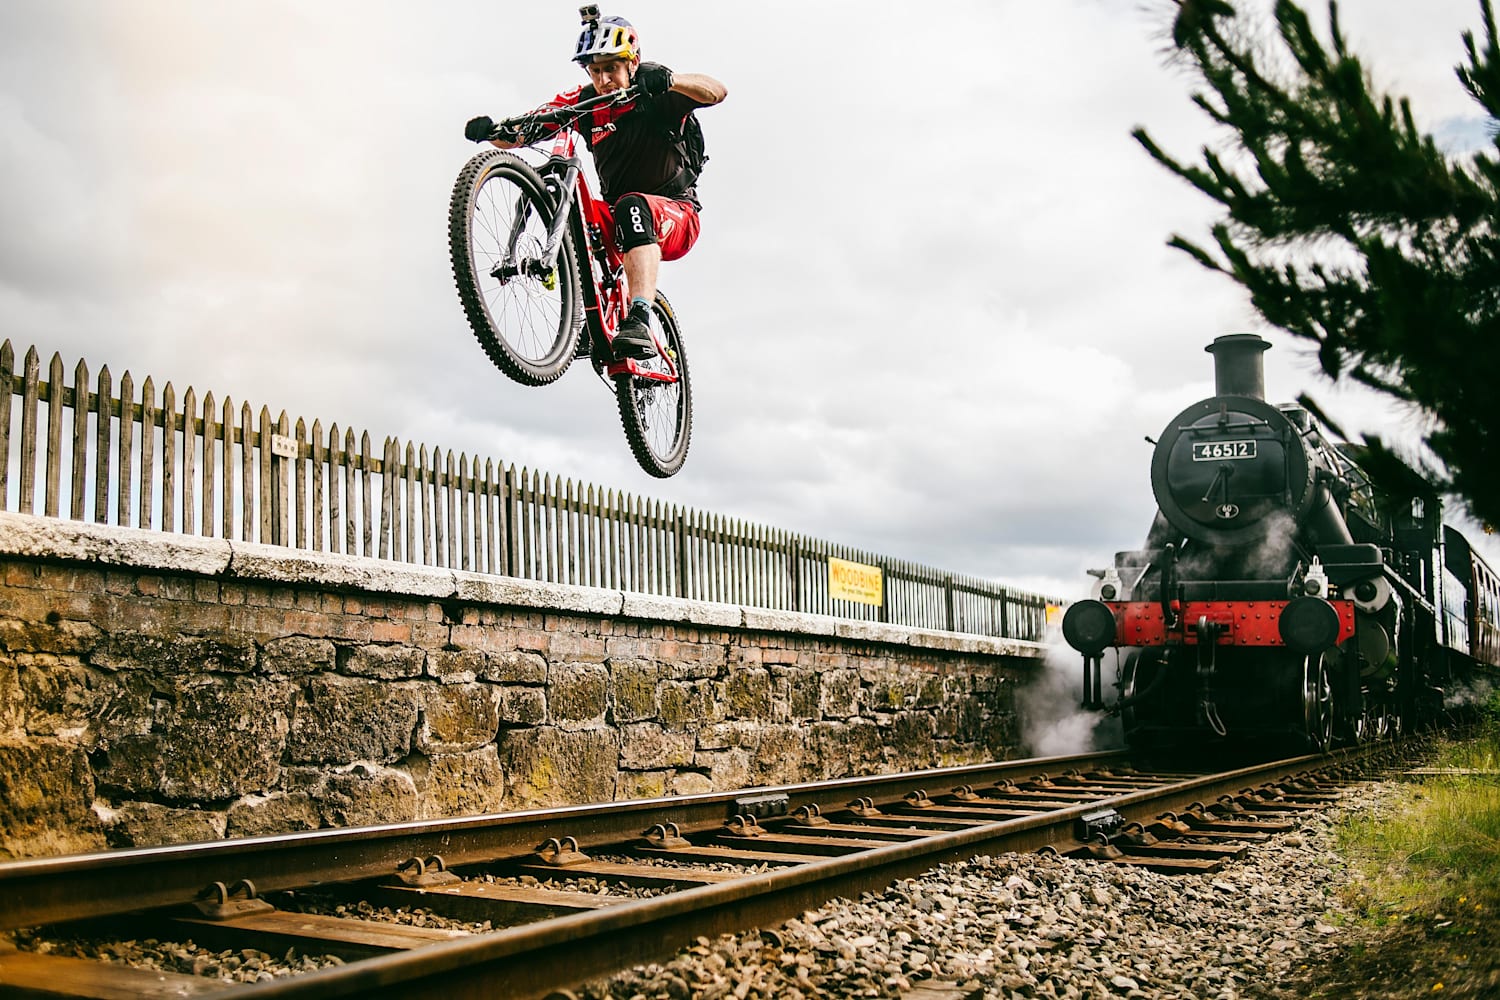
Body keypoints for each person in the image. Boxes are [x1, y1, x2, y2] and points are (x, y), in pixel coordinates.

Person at [465, 11, 727, 360]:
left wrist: (671, 80)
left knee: (633, 206)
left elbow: (716, 91)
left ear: (632, 63)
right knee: (579, 213)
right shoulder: (587, 101)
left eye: (611, 69)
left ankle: (639, 319)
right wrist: (494, 134)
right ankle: (591, 314)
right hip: (620, 215)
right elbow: (535, 124)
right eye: (595, 70)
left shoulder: (655, 91)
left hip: (676, 212)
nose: (604, 80)